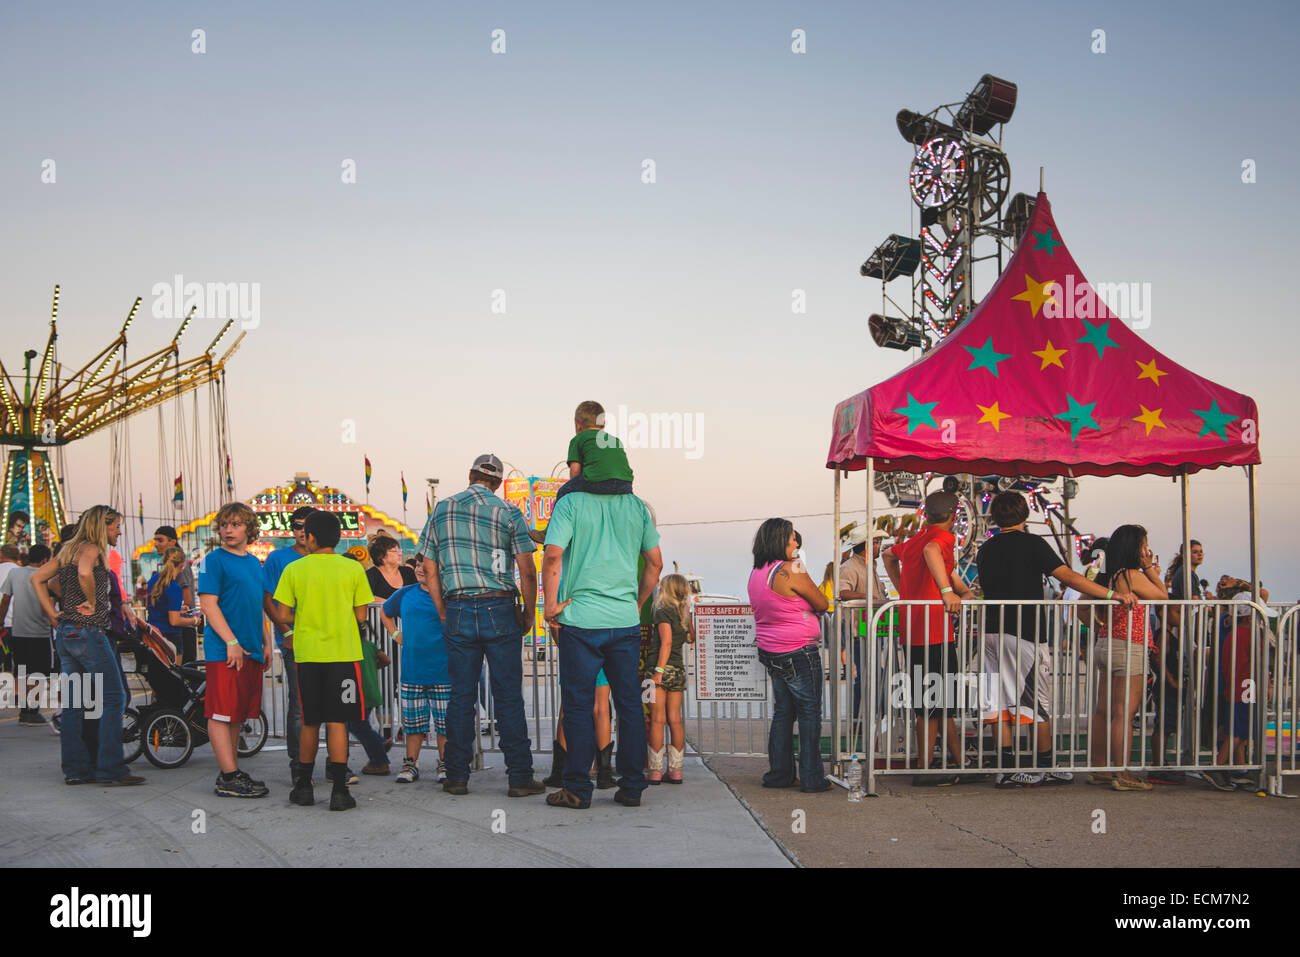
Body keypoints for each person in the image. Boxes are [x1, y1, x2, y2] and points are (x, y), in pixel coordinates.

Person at [976, 491, 1133, 788]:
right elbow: (1069, 578)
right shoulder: (1034, 544)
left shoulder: (987, 548)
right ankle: (1045, 764)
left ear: (994, 517)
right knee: (1036, 702)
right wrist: (1112, 595)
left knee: (997, 702)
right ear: (1024, 515)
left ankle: (1006, 766)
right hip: (1024, 633)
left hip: (991, 630)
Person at [418, 453, 545, 798]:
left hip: (459, 606)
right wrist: (528, 613)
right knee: (507, 697)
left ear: (470, 475)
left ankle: (456, 776)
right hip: (500, 606)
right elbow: (527, 569)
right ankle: (519, 777)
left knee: (460, 697)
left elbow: (429, 568)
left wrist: (445, 611)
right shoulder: (508, 512)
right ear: (499, 483)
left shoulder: (442, 509)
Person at [541, 477, 661, 809]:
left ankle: (578, 788)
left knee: (579, 707)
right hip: (624, 622)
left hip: (581, 622)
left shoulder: (570, 503)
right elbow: (656, 563)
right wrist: (636, 602)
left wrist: (551, 606)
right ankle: (632, 786)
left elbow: (552, 557)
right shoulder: (636, 506)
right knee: (629, 705)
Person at [31, 505, 143, 786]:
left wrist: (52, 613)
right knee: (114, 698)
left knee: (73, 704)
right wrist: (92, 603)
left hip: (67, 632)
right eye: (116, 525)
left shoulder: (68, 549)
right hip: (89, 631)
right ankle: (111, 768)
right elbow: (84, 573)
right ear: (102, 526)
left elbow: (38, 579)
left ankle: (76, 769)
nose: (119, 531)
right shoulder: (92, 548)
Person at [272, 510, 375, 810]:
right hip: (344, 655)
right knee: (338, 722)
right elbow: (360, 615)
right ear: (339, 538)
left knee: (309, 722)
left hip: (308, 655)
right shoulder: (352, 569)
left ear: (311, 537)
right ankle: (340, 791)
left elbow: (282, 614)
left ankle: (303, 787)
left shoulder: (295, 569)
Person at [881, 491, 975, 786]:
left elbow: (887, 555)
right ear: (953, 516)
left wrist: (905, 591)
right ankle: (926, 767)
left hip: (913, 630)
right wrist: (947, 593)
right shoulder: (940, 539)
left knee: (934, 700)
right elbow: (933, 552)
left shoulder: (914, 540)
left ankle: (960, 761)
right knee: (935, 701)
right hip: (935, 630)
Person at [747, 518, 831, 793]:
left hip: (771, 649)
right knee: (809, 713)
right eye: (793, 539)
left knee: (783, 712)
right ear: (780, 541)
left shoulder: (757, 572)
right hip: (799, 649)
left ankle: (780, 774)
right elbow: (821, 601)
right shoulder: (792, 569)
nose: (797, 544)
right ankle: (812, 778)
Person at [196, 503, 271, 798]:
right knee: (220, 712)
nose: (229, 529)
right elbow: (208, 604)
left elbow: (257, 606)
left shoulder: (254, 563)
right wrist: (231, 642)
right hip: (225, 650)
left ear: (248, 529)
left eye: (236, 524)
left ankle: (232, 772)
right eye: (225, 524)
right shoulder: (212, 561)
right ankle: (228, 775)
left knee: (238, 713)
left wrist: (266, 642)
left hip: (250, 649)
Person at [1087, 525, 1166, 791]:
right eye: (1144, 544)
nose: (1146, 550)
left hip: (1106, 642)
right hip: (1128, 644)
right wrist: (1150, 568)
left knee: (1103, 711)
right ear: (1135, 548)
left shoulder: (1110, 574)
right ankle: (1122, 772)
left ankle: (1099, 768)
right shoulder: (1132, 574)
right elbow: (1163, 597)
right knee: (1124, 713)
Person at [262, 506, 314, 784]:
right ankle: (298, 764)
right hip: (295, 641)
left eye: (308, 526)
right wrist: (285, 631)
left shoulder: (328, 559)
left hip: (327, 644)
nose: (302, 531)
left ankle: (335, 763)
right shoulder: (278, 558)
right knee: (299, 705)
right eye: (297, 526)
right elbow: (268, 598)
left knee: (330, 706)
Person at [386, 560, 450, 784]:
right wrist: (395, 635)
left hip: (443, 671)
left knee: (444, 724)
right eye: (418, 564)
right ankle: (410, 763)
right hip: (412, 672)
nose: (421, 569)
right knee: (413, 724)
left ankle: (445, 763)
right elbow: (386, 613)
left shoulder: (448, 594)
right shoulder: (404, 593)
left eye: (427, 565)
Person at [342, 552, 391, 779]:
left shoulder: (349, 646)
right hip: (369, 690)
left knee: (356, 725)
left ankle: (379, 757)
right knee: (358, 724)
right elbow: (386, 659)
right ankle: (380, 744)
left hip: (355, 690)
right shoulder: (369, 645)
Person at [546, 399, 635, 516]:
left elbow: (575, 469)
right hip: (625, 485)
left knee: (563, 491)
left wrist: (574, 489)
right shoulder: (615, 440)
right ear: (603, 424)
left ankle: (548, 529)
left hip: (598, 482)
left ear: (578, 425)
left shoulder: (579, 439)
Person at [839, 526, 890, 724]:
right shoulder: (850, 567)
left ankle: (872, 719)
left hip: (873, 629)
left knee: (875, 674)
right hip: (860, 632)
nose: (879, 546)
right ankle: (859, 721)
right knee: (868, 676)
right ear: (866, 545)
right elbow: (843, 592)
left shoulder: (870, 567)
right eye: (876, 542)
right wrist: (868, 597)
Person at [1, 544, 55, 727]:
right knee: (39, 673)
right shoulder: (46, 576)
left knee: (22, 672)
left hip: (18, 632)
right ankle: (34, 711)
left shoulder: (15, 574)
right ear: (44, 560)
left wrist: (0, 622)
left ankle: (24, 711)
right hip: (40, 633)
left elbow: (6, 600)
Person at [648, 573, 693, 784]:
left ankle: (655, 771)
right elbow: (691, 637)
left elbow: (665, 643)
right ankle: (676, 771)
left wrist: (657, 671)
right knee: (675, 719)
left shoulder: (662, 611)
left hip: (659, 669)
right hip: (678, 669)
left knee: (657, 720)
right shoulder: (683, 614)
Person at [153, 525, 197, 662]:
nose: (156, 544)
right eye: (155, 540)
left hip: (180, 627)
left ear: (172, 542)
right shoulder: (169, 569)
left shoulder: (178, 566)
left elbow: (187, 598)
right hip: (175, 626)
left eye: (160, 540)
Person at [146, 547, 201, 652]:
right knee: (174, 668)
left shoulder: (152, 581)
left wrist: (178, 609)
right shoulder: (174, 588)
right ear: (182, 565)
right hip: (171, 637)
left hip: (154, 634)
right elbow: (174, 621)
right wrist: (194, 620)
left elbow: (157, 608)